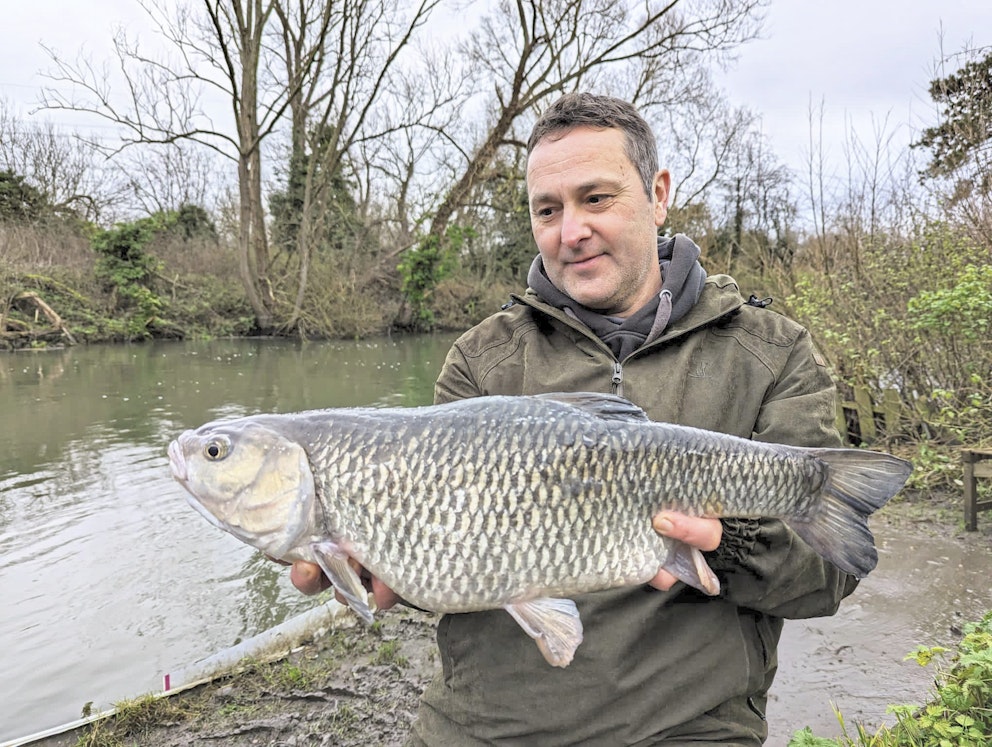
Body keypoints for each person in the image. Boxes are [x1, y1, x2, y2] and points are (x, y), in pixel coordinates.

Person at [289, 92, 857, 745]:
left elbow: (827, 578)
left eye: (596, 199)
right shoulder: (481, 361)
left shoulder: (770, 352)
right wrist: (378, 561)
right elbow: (446, 566)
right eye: (547, 210)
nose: (571, 231)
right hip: (485, 726)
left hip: (688, 724)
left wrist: (723, 542)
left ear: (658, 194)